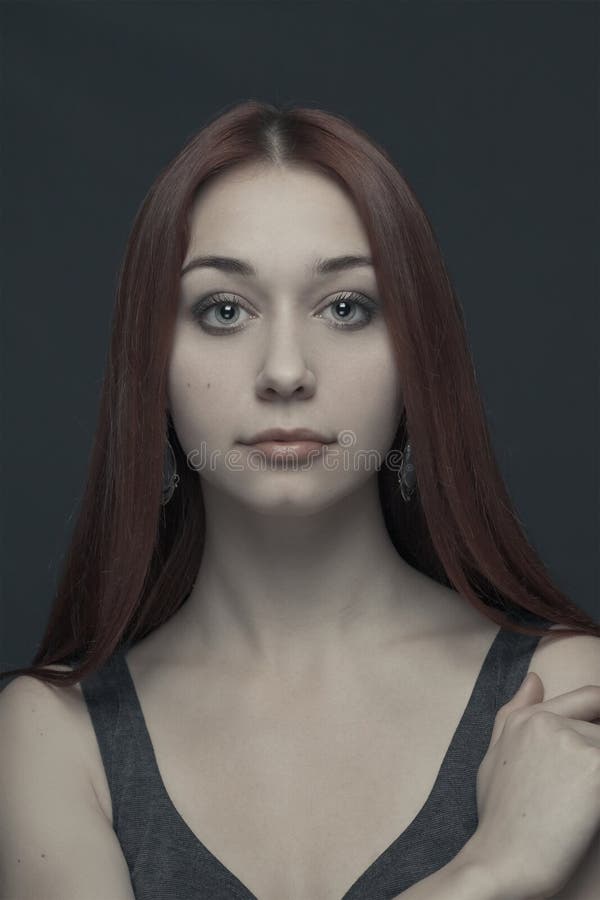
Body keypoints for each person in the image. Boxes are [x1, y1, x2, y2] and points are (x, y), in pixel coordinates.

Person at [1, 100, 599, 900]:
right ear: (152, 364)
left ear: (418, 353)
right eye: (223, 310)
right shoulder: (51, 736)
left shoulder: (566, 703)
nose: (285, 370)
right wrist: (496, 873)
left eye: (346, 307)